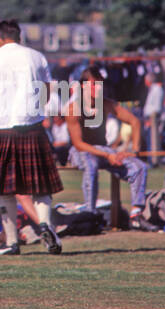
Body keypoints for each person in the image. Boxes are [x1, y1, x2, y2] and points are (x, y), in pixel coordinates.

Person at [0, 20, 62, 256]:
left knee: (4, 188)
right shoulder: (37, 57)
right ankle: (44, 223)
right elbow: (45, 94)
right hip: (31, 127)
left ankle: (11, 242)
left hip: (0, 129)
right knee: (41, 185)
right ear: (19, 36)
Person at [63, 68, 149, 229]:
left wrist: (134, 151)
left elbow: (135, 122)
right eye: (94, 85)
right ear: (83, 86)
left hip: (103, 150)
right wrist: (107, 155)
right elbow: (78, 144)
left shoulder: (107, 104)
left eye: (100, 85)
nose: (98, 88)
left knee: (139, 166)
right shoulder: (73, 108)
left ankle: (136, 214)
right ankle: (90, 214)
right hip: (81, 151)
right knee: (91, 164)